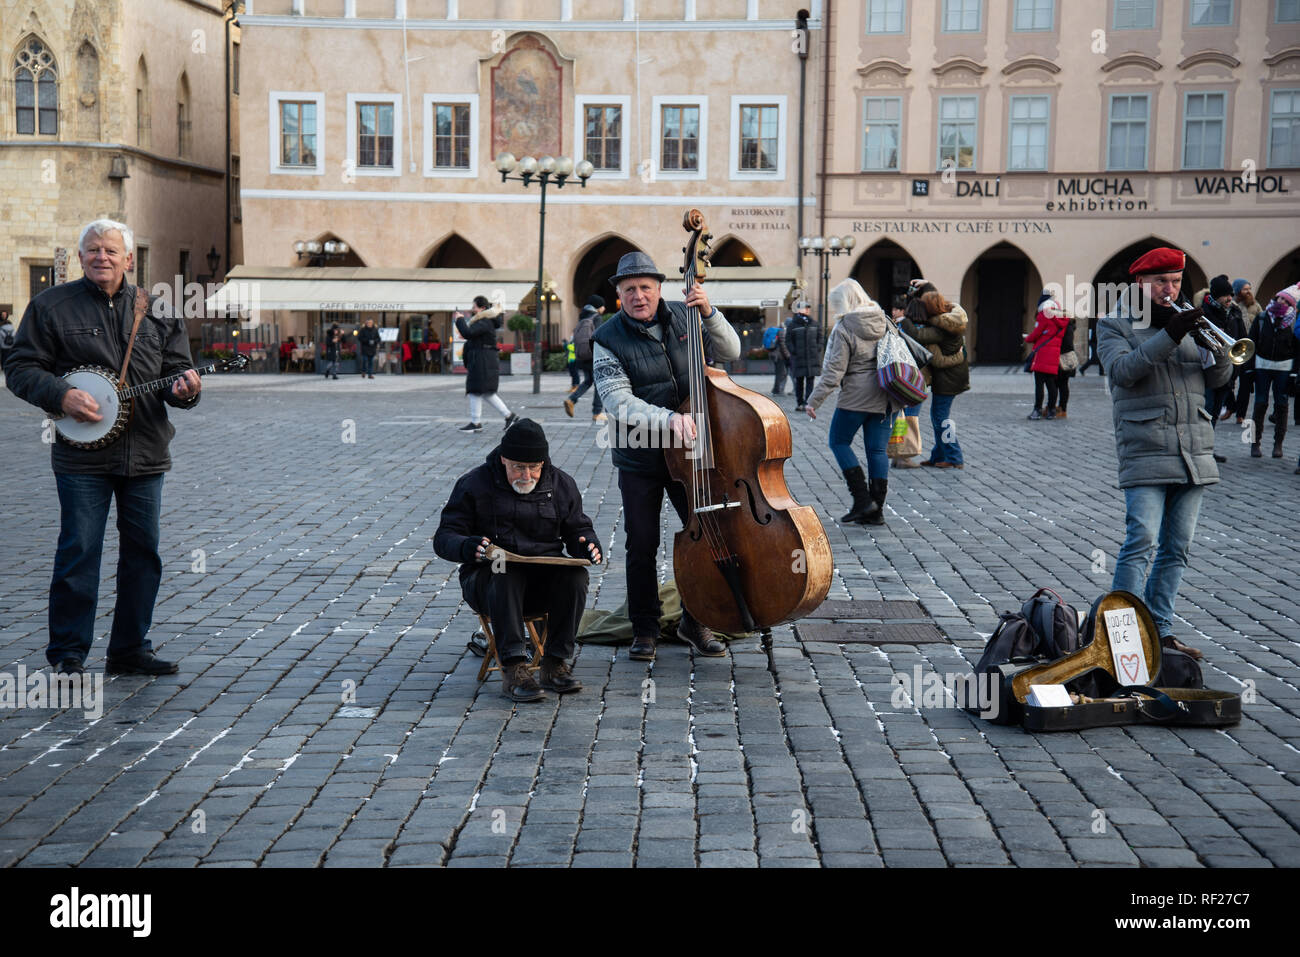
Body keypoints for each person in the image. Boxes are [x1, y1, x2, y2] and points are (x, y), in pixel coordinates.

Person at [5, 218, 201, 677]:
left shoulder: (158, 309)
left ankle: (130, 648)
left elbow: (180, 373)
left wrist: (186, 390)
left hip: (147, 450)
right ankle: (69, 653)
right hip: (82, 456)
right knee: (79, 549)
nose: (102, 257)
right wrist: (60, 395)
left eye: (111, 251)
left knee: (143, 553)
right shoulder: (51, 306)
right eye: (92, 250)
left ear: (129, 260)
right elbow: (20, 367)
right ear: (80, 257)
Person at [591, 251, 740, 661]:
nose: (639, 296)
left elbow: (731, 349)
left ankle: (698, 619)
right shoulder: (607, 338)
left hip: (693, 454)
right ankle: (644, 628)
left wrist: (709, 313)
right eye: (630, 290)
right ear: (619, 295)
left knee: (707, 533)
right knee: (641, 543)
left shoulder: (685, 315)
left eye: (646, 288)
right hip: (641, 457)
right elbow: (618, 403)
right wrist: (669, 419)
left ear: (659, 289)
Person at [1098, 246, 1231, 661]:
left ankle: (1160, 630)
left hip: (1193, 447)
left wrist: (1218, 349)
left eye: (1175, 282)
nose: (1169, 289)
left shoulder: (1190, 320)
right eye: (1161, 283)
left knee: (1178, 547)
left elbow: (1219, 378)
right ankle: (1121, 634)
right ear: (1140, 283)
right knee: (1142, 539)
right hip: (1145, 446)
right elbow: (1122, 372)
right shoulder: (1114, 323)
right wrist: (1170, 334)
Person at [434, 419, 602, 702]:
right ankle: (513, 668)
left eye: (533, 467)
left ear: (543, 462)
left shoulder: (561, 484)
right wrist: (467, 546)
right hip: (489, 584)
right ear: (503, 460)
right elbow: (445, 537)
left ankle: (555, 662)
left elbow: (578, 529)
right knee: (505, 570)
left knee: (575, 577)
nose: (526, 475)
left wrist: (586, 545)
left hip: (541, 582)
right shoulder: (474, 484)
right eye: (518, 467)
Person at [804, 279, 898, 525]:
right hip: (887, 395)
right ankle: (876, 510)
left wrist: (814, 400)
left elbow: (835, 371)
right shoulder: (885, 320)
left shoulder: (845, 326)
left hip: (855, 398)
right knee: (877, 450)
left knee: (839, 441)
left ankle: (862, 500)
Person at [904, 286, 969, 468]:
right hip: (951, 376)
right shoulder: (948, 317)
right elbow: (933, 299)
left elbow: (917, 335)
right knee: (938, 417)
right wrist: (926, 285)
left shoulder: (941, 327)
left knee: (941, 418)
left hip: (949, 378)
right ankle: (939, 456)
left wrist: (904, 318)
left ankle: (954, 457)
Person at [1194, 275, 1243, 462]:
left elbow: (1241, 340)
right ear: (1215, 296)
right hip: (1209, 370)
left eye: (1230, 295)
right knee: (1206, 411)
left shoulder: (1235, 313)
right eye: (1225, 296)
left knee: (1214, 412)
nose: (1229, 299)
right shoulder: (1203, 312)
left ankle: (1208, 448)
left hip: (1229, 370)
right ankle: (1201, 450)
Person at [455, 295, 518, 434]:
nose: (472, 310)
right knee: (480, 392)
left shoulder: (485, 321)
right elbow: (471, 335)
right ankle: (484, 420)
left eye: (474, 307)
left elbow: (468, 333)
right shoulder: (484, 321)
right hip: (482, 360)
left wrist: (459, 319)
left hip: (483, 361)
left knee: (479, 391)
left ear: (482, 308)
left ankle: (481, 422)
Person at [1248, 287, 1296, 458]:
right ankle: (1254, 443)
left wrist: (1294, 373)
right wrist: (1249, 367)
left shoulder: (1292, 320)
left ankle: (1278, 444)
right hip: (1263, 364)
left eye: (1285, 300)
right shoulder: (1262, 317)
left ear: (1291, 304)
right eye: (1279, 298)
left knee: (1282, 406)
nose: (1280, 302)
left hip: (1284, 367)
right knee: (1259, 404)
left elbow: (1296, 347)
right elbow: (1252, 340)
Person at [889, 295, 922, 470]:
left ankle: (898, 453)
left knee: (901, 419)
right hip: (910, 375)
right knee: (909, 418)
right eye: (893, 309)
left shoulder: (897, 325)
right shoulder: (908, 326)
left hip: (898, 374)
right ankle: (904, 455)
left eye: (896, 309)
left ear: (902, 310)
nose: (893, 312)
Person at [1025, 290, 1069, 420]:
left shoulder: (1044, 315)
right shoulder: (1062, 317)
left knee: (1039, 384)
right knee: (1051, 384)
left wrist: (1027, 338)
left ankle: (1037, 410)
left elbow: (1036, 333)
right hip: (1054, 355)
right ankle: (1051, 410)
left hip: (1043, 354)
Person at [563, 295, 605, 422]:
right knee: (599, 384)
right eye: (602, 305)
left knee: (588, 381)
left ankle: (571, 400)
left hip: (582, 356)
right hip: (593, 356)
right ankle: (597, 412)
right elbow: (599, 337)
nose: (604, 308)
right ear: (598, 306)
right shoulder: (596, 318)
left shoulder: (583, 317)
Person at [1228, 279, 1260, 424]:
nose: (1248, 291)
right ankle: (1230, 405)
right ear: (1237, 290)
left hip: (1249, 347)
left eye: (1249, 288)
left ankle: (1240, 413)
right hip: (1235, 346)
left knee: (1246, 383)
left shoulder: (1255, 306)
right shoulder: (1231, 305)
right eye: (1245, 289)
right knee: (1229, 379)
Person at [784, 301, 820, 411]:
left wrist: (817, 348)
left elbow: (820, 337)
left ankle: (807, 403)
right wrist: (794, 351)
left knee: (810, 381)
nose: (808, 310)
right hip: (798, 358)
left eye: (809, 308)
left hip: (811, 358)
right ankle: (800, 402)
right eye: (806, 308)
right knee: (799, 381)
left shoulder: (814, 323)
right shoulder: (793, 324)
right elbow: (788, 340)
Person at [1055, 313, 1077, 419]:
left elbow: (1067, 344)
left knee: (1061, 384)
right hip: (1065, 358)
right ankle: (1060, 408)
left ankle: (1062, 409)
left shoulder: (1066, 326)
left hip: (1063, 358)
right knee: (1061, 384)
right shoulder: (1070, 325)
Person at [764, 318, 789, 396]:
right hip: (779, 356)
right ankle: (777, 391)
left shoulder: (778, 330)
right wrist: (788, 355)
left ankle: (776, 390)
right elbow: (783, 345)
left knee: (780, 373)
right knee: (780, 373)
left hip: (775, 355)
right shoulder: (782, 331)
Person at [0, 309, 15, 373]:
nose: (4, 315)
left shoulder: (9, 322)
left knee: (5, 355)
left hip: (4, 342)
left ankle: (4, 366)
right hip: (2, 341)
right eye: (3, 314)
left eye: (5, 314)